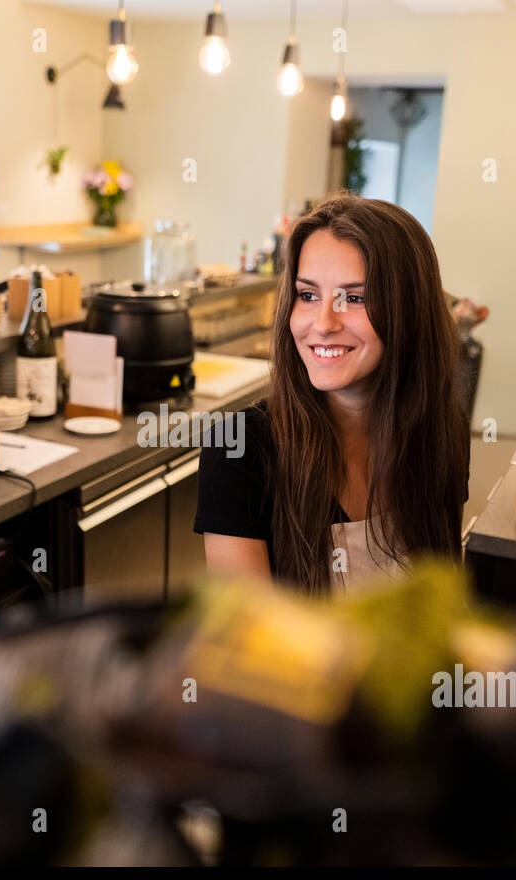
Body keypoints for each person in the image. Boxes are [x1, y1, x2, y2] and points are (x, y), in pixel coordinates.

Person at [194, 193, 471, 595]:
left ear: (410, 310)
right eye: (308, 295)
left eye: (354, 298)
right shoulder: (241, 449)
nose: (323, 324)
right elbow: (246, 643)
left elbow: (441, 599)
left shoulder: (443, 432)